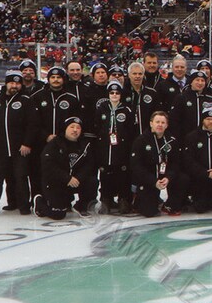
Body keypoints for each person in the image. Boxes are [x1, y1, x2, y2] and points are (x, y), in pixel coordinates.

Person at [0, 72, 37, 217]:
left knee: (20, 178)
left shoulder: (26, 101)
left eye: (18, 83)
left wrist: (27, 143)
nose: (15, 86)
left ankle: (24, 206)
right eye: (12, 83)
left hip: (19, 150)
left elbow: (32, 125)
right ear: (6, 84)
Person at [35, 117, 98, 219]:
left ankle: (81, 206)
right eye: (72, 127)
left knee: (92, 181)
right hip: (57, 182)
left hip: (76, 180)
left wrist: (78, 178)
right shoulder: (54, 143)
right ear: (65, 128)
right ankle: (40, 202)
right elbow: (48, 165)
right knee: (58, 215)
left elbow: (89, 165)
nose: (75, 130)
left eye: (78, 128)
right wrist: (67, 178)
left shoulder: (85, 145)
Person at [130, 110, 187, 217]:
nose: (160, 125)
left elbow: (176, 163)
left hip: (165, 176)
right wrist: (154, 181)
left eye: (163, 122)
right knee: (149, 212)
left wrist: (168, 177)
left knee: (183, 178)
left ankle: (170, 204)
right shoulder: (141, 141)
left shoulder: (171, 141)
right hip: (149, 179)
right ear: (151, 123)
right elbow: (136, 166)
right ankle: (139, 200)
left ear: (167, 125)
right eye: (157, 122)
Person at [94, 80, 135, 214]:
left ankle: (123, 199)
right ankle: (106, 198)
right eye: (111, 93)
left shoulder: (127, 109)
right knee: (105, 174)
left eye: (117, 93)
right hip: (105, 148)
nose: (114, 95)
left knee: (123, 174)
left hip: (121, 148)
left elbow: (131, 129)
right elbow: (98, 126)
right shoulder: (102, 108)